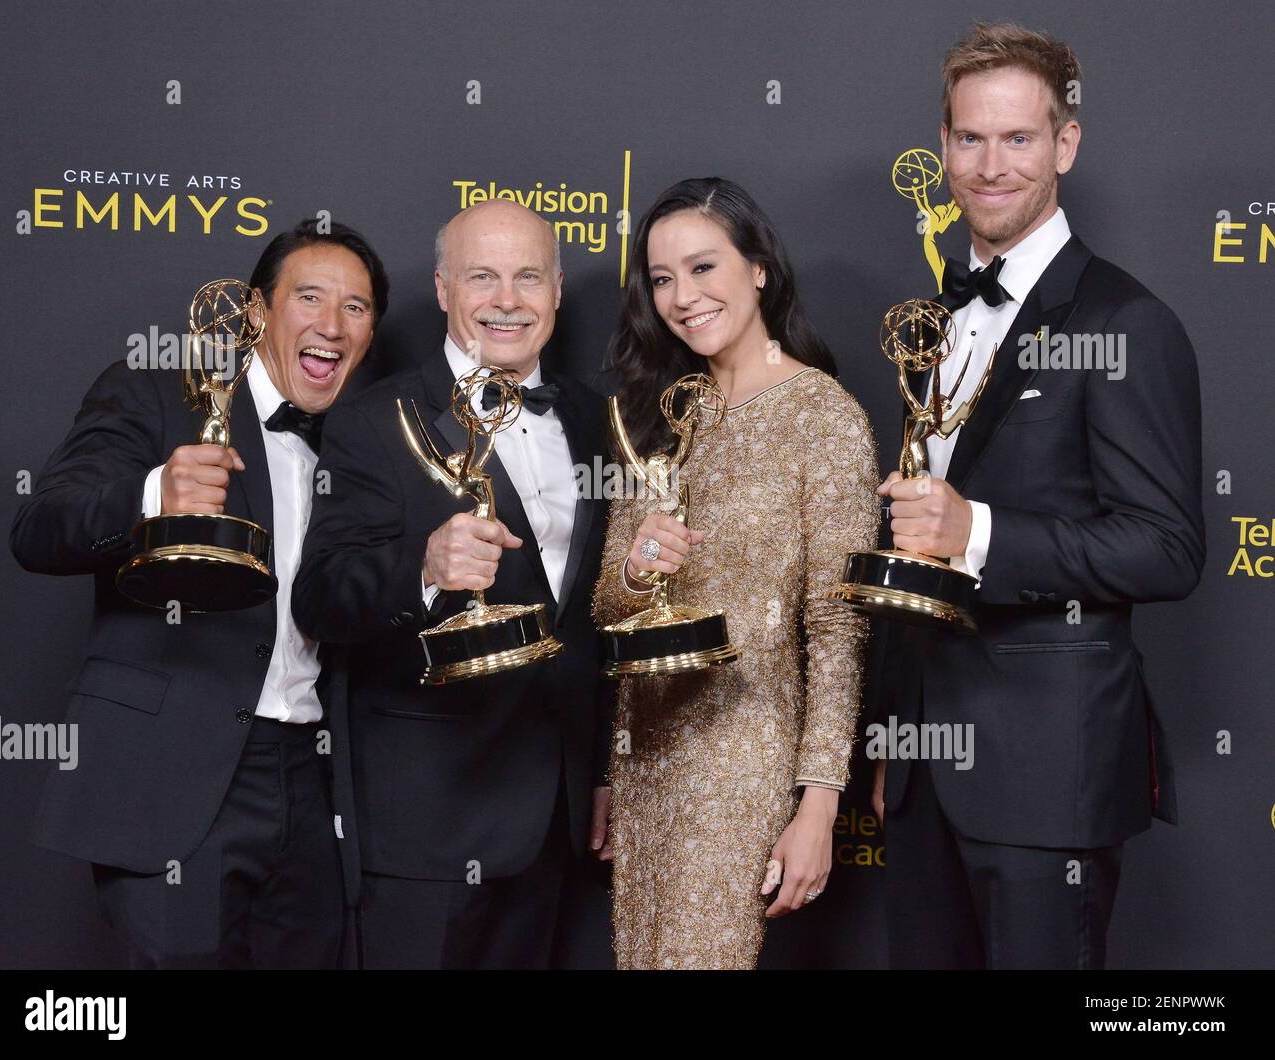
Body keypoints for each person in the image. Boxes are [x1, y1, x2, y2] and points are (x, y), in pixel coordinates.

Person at [871, 22, 1205, 969]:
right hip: (925, 767)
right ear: (943, 146)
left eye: (1018, 138)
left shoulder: (1126, 322)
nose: (990, 166)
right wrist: (898, 736)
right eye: (970, 138)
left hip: (1048, 775)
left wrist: (974, 529)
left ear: (1065, 145)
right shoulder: (937, 317)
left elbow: (1167, 548)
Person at [9, 218, 386, 968]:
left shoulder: (362, 442)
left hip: (309, 781)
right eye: (310, 297)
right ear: (256, 310)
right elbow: (39, 529)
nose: (333, 325)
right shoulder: (156, 390)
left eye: (357, 307)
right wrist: (153, 494)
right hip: (172, 775)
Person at [292, 198, 612, 969]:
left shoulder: (595, 418)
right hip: (428, 824)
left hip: (558, 823)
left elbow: (589, 619)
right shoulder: (375, 419)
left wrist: (603, 768)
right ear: (442, 289)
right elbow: (321, 598)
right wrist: (424, 571)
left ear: (557, 290)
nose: (507, 300)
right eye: (481, 277)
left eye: (528, 277)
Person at [592, 177, 880, 969]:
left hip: (746, 758)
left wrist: (819, 804)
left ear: (758, 268)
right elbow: (610, 610)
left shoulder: (824, 417)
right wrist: (638, 568)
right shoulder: (657, 413)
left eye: (703, 267)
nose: (683, 297)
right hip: (647, 757)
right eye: (662, 278)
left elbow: (838, 627)